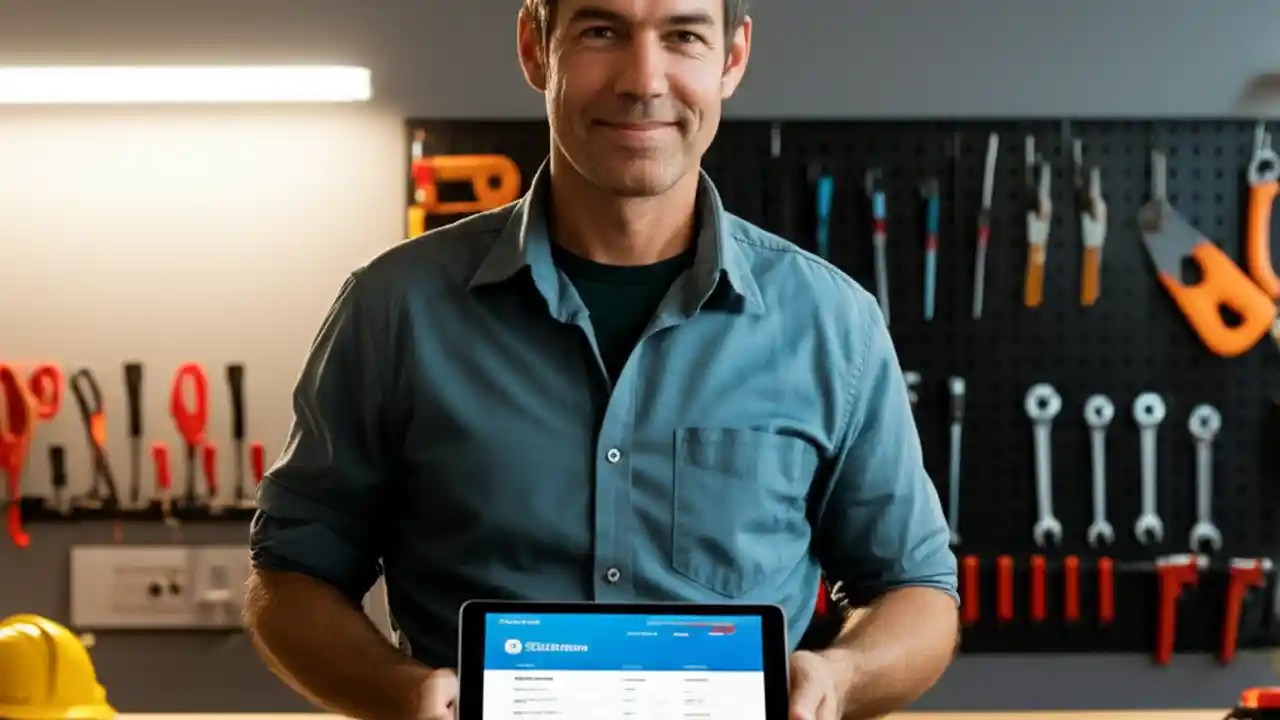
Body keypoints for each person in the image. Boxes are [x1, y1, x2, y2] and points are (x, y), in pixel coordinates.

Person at [242, 0, 960, 718]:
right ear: (534, 47)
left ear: (732, 58)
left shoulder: (832, 323)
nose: (643, 79)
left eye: (682, 35)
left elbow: (917, 591)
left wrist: (841, 677)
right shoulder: (393, 309)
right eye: (601, 32)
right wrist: (397, 694)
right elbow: (291, 574)